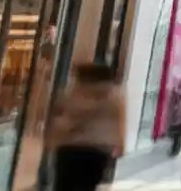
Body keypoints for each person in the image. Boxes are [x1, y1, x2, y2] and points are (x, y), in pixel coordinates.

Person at [46, 63, 126, 191]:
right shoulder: (115, 97)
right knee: (87, 185)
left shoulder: (72, 94)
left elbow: (62, 120)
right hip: (98, 150)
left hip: (70, 147)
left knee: (63, 185)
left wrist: (53, 140)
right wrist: (120, 144)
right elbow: (120, 122)